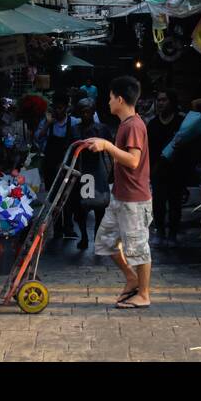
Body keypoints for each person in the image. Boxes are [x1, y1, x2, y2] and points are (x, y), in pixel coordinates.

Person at [86, 76, 153, 309]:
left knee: (138, 248)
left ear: (120, 99)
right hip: (120, 196)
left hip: (134, 200)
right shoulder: (126, 124)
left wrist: (107, 146)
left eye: (111, 98)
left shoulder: (134, 125)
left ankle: (143, 294)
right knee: (105, 241)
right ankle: (132, 279)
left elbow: (133, 161)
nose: (108, 102)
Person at [35, 92, 80, 240]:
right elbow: (37, 138)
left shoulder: (73, 122)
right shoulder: (47, 122)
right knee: (53, 197)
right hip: (50, 165)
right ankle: (57, 228)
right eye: (56, 108)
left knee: (67, 197)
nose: (58, 111)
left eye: (61, 108)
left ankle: (68, 227)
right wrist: (47, 124)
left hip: (67, 166)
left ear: (66, 108)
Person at [70, 97, 111, 251]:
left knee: (100, 205)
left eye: (88, 111)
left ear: (93, 112)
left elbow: (110, 151)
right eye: (82, 112)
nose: (85, 115)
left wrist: (111, 170)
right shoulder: (75, 129)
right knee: (81, 207)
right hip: (82, 170)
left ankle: (96, 236)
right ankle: (84, 237)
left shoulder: (102, 129)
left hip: (98, 170)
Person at [147, 89, 185, 247]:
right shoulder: (153, 124)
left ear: (172, 102)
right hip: (158, 170)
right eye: (159, 100)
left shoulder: (180, 122)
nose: (161, 103)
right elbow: (147, 149)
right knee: (158, 203)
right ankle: (160, 232)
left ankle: (173, 234)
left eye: (164, 100)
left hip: (176, 170)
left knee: (175, 203)